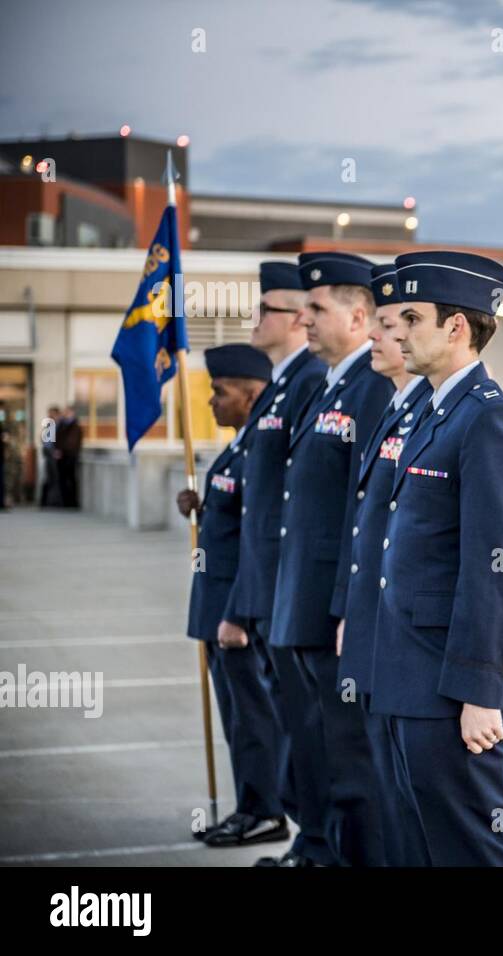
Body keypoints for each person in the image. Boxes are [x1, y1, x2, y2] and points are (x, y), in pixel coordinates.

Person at [369, 250, 503, 866]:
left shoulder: (489, 421)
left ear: (456, 327)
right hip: (407, 674)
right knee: (417, 847)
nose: (397, 332)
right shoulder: (433, 412)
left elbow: (499, 564)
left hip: (449, 689)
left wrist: (482, 693)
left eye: (412, 318)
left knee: (471, 851)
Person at [264, 252, 394, 867]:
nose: (304, 318)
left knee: (349, 759)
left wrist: (347, 602)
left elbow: (361, 509)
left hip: (329, 609)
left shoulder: (369, 388)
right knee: (316, 744)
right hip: (304, 602)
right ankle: (318, 850)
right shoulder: (332, 384)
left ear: (360, 315)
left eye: (317, 308)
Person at [220, 262, 327, 860]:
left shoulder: (310, 380)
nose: (256, 320)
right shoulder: (288, 384)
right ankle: (308, 841)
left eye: (268, 311)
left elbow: (297, 505)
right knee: (295, 733)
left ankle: (313, 842)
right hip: (268, 589)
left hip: (285, 591)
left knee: (303, 735)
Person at [333, 264, 433, 866]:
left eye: (395, 324)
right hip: (377, 632)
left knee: (425, 819)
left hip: (414, 649)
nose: (375, 335)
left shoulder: (439, 414)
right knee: (390, 799)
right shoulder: (398, 410)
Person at [177, 344, 289, 849]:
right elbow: (231, 514)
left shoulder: (262, 448)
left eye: (219, 392)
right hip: (217, 604)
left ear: (250, 393)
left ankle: (263, 811)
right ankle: (251, 804)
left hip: (234, 614)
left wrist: (239, 615)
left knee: (253, 720)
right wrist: (199, 505)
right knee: (238, 717)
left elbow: (261, 535)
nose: (211, 401)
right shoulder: (240, 444)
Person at [55, 406, 82, 508]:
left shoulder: (75, 426)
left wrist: (62, 450)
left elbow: (72, 442)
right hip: (62, 456)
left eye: (67, 412)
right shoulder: (61, 425)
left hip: (70, 456)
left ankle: (72, 502)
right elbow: (56, 439)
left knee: (71, 479)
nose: (65, 414)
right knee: (62, 479)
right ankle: (64, 501)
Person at [40, 405, 61, 507]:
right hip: (50, 455)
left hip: (51, 454)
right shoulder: (50, 425)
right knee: (51, 478)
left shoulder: (57, 425)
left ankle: (51, 500)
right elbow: (46, 442)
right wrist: (52, 452)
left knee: (53, 478)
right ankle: (48, 501)